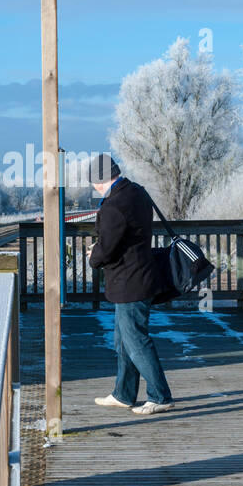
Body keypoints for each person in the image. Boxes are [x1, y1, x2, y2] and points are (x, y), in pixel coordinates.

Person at [86, 153, 173, 415]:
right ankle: (124, 394)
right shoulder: (136, 192)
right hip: (139, 276)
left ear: (100, 180)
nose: (92, 187)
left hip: (129, 282)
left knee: (135, 341)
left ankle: (160, 396)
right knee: (124, 342)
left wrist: (93, 256)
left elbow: (108, 247)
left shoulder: (114, 204)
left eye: (93, 182)